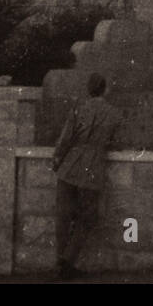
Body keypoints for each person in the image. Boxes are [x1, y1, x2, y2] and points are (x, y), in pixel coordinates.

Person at [50, 72, 122, 280]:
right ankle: (67, 262)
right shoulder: (114, 113)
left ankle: (61, 262)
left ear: (89, 89)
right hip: (92, 167)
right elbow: (116, 142)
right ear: (104, 88)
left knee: (63, 216)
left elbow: (65, 138)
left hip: (70, 165)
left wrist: (57, 159)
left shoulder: (79, 108)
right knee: (88, 217)